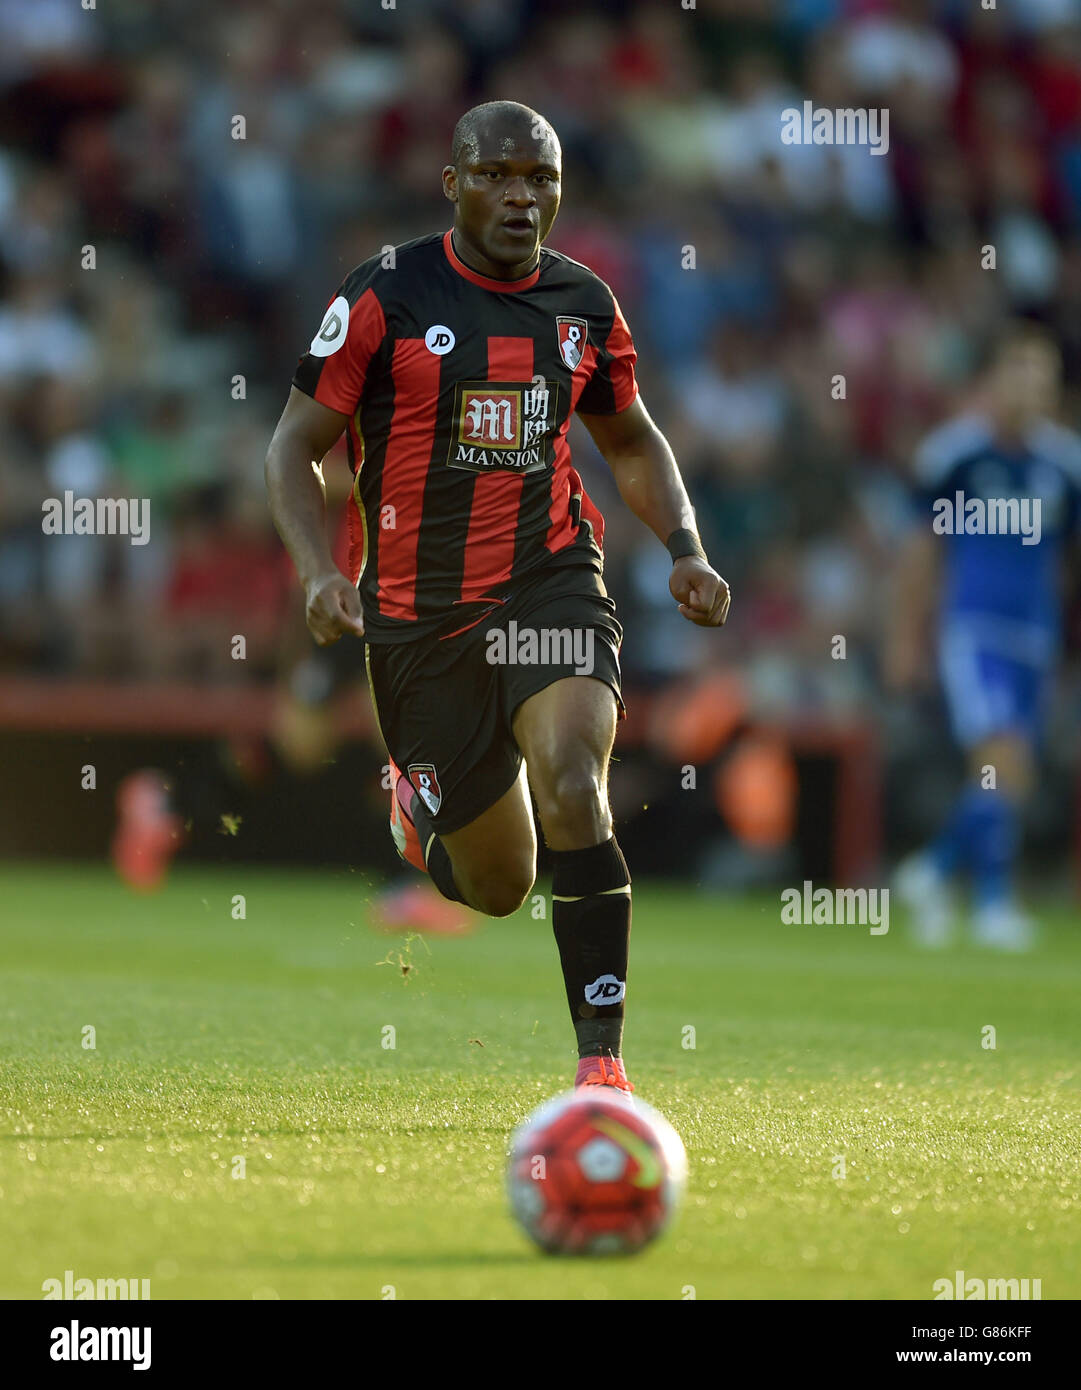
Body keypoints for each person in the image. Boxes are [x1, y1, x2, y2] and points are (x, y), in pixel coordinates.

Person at [265, 101, 730, 1095]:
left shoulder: (584, 305)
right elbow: (291, 448)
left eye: (540, 179)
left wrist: (682, 547)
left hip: (549, 581)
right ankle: (417, 810)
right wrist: (318, 573)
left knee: (572, 783)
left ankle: (600, 1063)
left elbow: (632, 438)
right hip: (418, 624)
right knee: (496, 883)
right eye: (497, 176)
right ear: (452, 184)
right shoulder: (385, 297)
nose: (521, 197)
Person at [890, 324, 1081, 950]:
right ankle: (994, 901)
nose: (1029, 384)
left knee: (1012, 773)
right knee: (1001, 757)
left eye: (1041, 372)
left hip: (1036, 637)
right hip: (974, 630)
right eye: (1018, 369)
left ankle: (936, 869)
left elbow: (1063, 561)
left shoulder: (1064, 465)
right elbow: (923, 552)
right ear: (993, 379)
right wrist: (906, 637)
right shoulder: (956, 456)